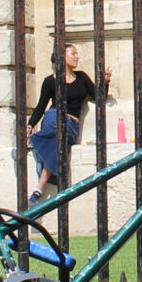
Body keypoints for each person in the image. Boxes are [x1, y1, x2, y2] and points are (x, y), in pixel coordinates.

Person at [26, 40, 99, 193]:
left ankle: (36, 140)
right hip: (54, 116)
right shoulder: (50, 81)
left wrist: (105, 82)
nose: (76, 57)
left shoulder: (82, 77)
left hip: (71, 123)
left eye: (76, 54)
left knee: (58, 136)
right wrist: (30, 125)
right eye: (73, 53)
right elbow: (40, 107)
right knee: (56, 133)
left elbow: (99, 97)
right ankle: (39, 188)